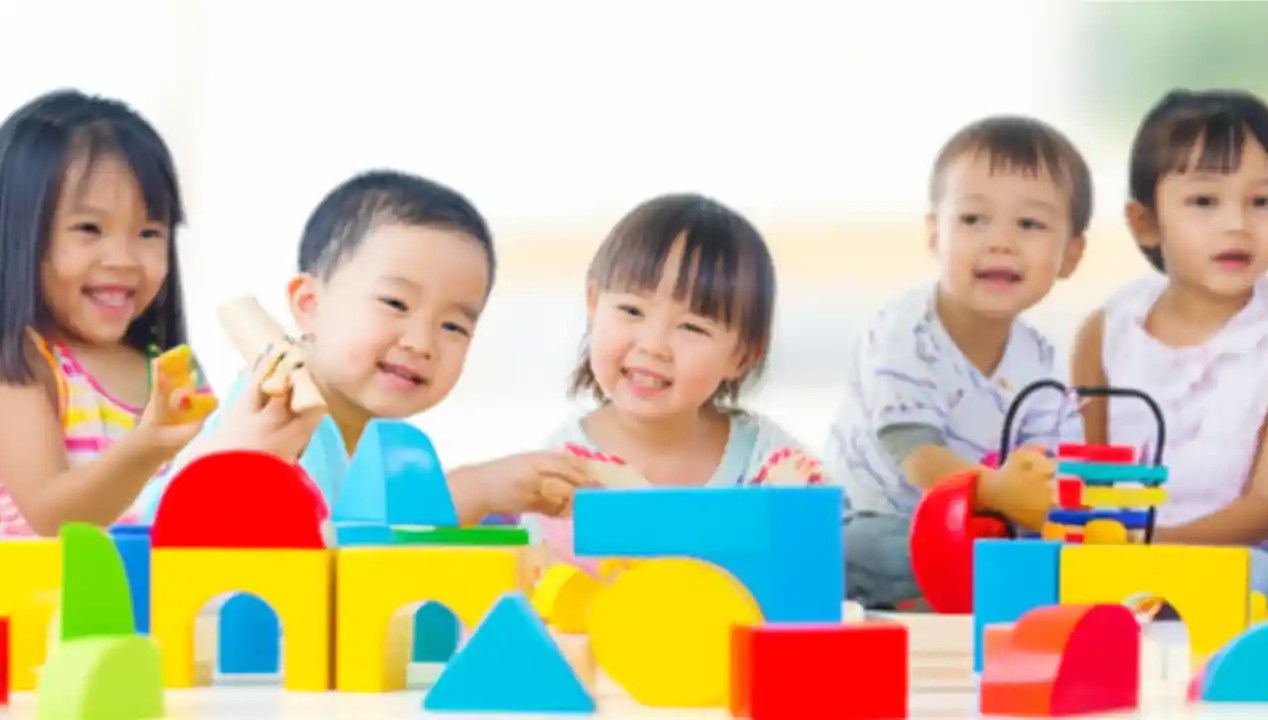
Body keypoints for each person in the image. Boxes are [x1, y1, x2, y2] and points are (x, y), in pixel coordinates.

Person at [137, 169, 595, 525]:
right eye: (395, 303)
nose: (420, 343)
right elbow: (351, 548)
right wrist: (477, 487)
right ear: (309, 305)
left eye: (454, 326)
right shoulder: (275, 414)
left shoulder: (378, 447)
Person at [826, 116, 1090, 608]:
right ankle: (930, 597)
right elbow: (920, 459)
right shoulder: (903, 331)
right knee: (866, 550)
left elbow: (1052, 471)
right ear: (934, 233)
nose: (1000, 242)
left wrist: (1065, 512)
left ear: (1071, 254)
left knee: (1050, 559)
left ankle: (957, 595)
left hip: (973, 526)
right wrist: (1000, 491)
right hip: (878, 519)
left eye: (1029, 224)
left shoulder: (1040, 361)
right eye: (973, 220)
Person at [527, 193, 828, 574]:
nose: (653, 346)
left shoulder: (774, 468)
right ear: (593, 305)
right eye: (631, 310)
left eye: (692, 327)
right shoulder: (563, 470)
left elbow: (807, 581)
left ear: (742, 354)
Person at [0, 89, 217, 537]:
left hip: (154, 603)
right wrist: (147, 445)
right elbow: (52, 517)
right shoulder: (19, 362)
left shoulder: (170, 368)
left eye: (148, 232)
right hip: (37, 604)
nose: (123, 259)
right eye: (89, 229)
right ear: (17, 232)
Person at [1072, 89, 1268, 548]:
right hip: (1115, 556)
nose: (1237, 224)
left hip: (1246, 561)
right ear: (1145, 222)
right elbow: (1086, 476)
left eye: (1263, 202)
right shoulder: (1107, 332)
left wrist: (1154, 550)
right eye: (1205, 201)